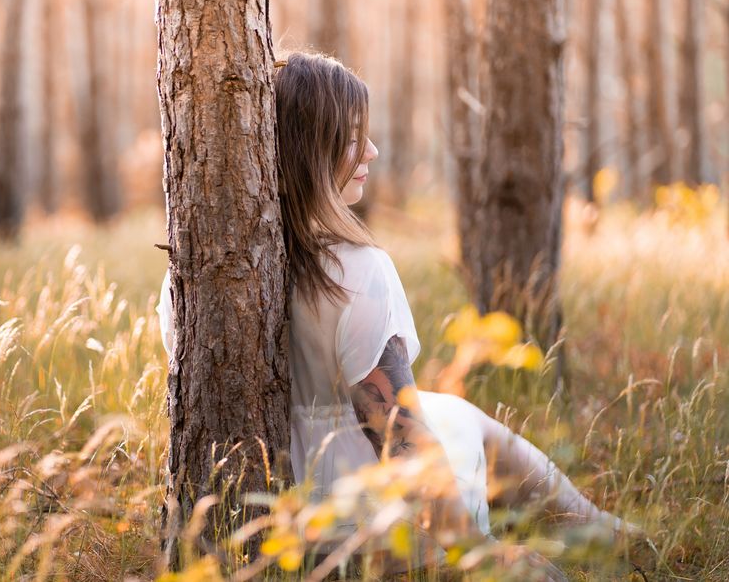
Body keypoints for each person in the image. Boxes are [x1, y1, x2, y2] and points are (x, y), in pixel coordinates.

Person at [156, 51, 634, 578]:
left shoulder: (190, 278)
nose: (373, 150)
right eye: (354, 136)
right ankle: (602, 532)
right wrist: (479, 557)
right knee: (470, 428)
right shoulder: (358, 273)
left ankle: (595, 527)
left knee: (460, 413)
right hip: (361, 526)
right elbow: (404, 450)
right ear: (311, 148)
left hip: (252, 527)